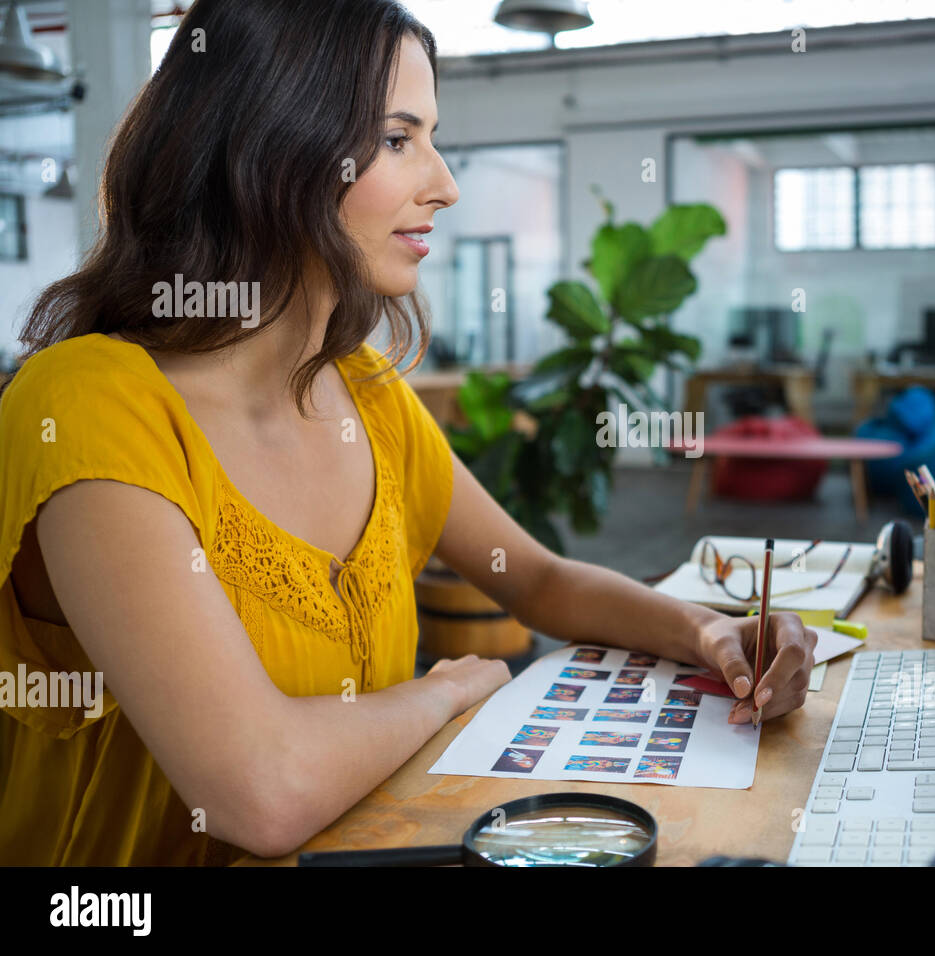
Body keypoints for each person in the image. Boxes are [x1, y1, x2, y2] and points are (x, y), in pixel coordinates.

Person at [0, 0, 815, 866]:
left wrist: (706, 632)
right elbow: (260, 789)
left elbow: (536, 578)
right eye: (398, 139)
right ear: (271, 149)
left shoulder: (365, 394)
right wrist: (445, 692)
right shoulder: (88, 405)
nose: (445, 182)